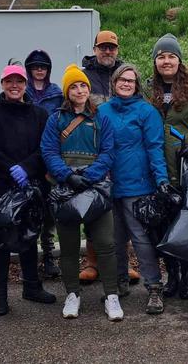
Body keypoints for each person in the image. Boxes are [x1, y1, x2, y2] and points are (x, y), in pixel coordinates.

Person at [40, 64, 123, 321]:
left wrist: (88, 176)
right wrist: (68, 176)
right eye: (74, 86)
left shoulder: (102, 118)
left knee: (106, 244)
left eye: (83, 85)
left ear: (89, 89)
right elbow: (48, 151)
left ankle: (111, 296)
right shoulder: (55, 119)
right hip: (65, 190)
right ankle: (72, 295)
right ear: (67, 91)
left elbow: (109, 151)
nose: (79, 90)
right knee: (68, 247)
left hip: (96, 188)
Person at [0, 63, 55, 316]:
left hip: (30, 186)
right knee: (1, 240)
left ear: (25, 85)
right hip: (0, 187)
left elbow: (45, 148)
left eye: (19, 82)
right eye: (9, 81)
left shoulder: (39, 114)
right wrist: (11, 168)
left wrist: (27, 168)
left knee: (29, 235)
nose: (14, 86)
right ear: (2, 84)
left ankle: (32, 286)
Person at [98, 64, 171, 314]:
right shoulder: (102, 111)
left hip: (138, 186)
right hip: (109, 186)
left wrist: (161, 179)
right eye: (122, 80)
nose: (126, 84)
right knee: (114, 239)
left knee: (141, 239)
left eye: (131, 81)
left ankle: (154, 286)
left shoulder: (146, 112)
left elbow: (155, 148)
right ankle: (119, 283)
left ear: (137, 85)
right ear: (114, 83)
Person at [146, 34, 188, 300]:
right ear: (155, 62)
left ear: (179, 60)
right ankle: (171, 275)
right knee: (162, 225)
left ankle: (187, 277)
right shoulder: (148, 90)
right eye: (161, 57)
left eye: (171, 56)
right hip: (157, 168)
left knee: (187, 224)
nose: (166, 61)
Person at [79, 30, 139, 285]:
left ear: (117, 49)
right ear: (94, 49)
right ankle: (92, 261)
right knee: (95, 209)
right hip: (92, 151)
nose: (107, 52)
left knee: (121, 210)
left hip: (122, 154)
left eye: (111, 48)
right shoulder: (85, 77)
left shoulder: (125, 76)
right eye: (102, 47)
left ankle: (123, 261)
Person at [23, 49, 63, 278]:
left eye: (43, 66)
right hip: (27, 156)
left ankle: (48, 255)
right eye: (35, 66)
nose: (39, 70)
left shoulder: (56, 94)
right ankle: (28, 258)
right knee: (29, 209)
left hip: (49, 156)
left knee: (49, 209)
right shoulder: (22, 90)